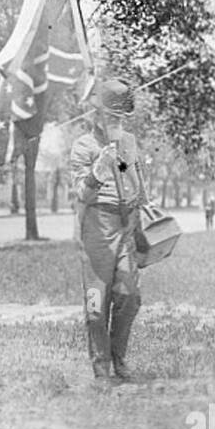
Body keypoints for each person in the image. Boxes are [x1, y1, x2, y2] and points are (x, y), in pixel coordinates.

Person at [67, 78, 147, 381]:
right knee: (96, 303)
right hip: (96, 227)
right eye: (112, 116)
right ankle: (101, 367)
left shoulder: (128, 142)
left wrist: (140, 204)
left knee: (130, 295)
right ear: (96, 115)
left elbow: (131, 177)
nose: (117, 122)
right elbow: (81, 195)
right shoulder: (84, 146)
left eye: (122, 117)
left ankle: (118, 357)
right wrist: (98, 170)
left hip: (125, 223)